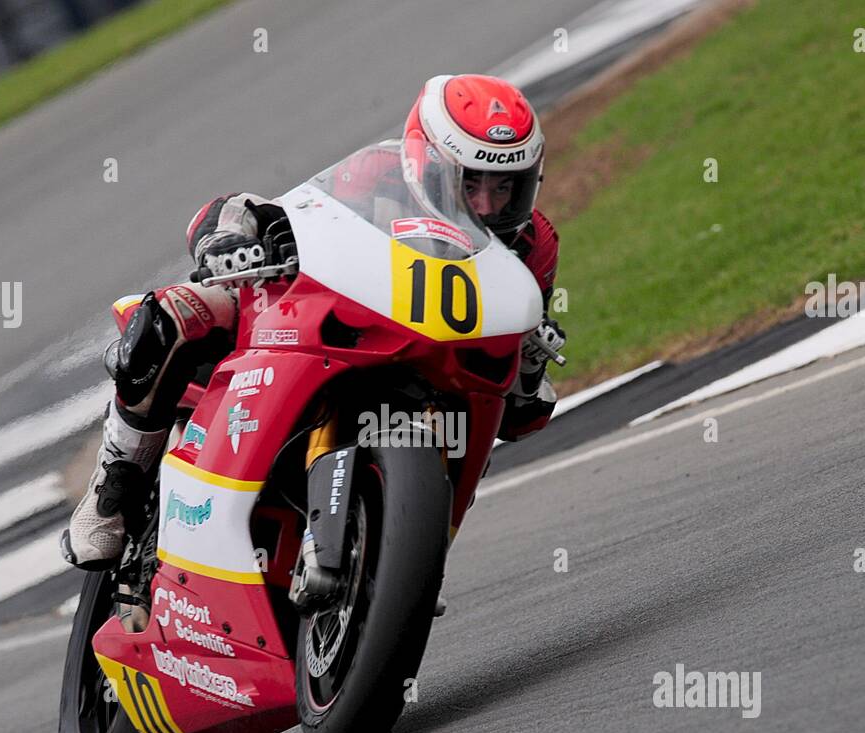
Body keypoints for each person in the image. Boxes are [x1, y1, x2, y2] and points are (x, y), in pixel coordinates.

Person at [62, 73, 567, 569]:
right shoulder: (379, 171)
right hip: (327, 320)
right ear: (425, 159)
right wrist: (232, 240)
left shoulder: (534, 245)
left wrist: (526, 364)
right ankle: (115, 483)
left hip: (431, 383)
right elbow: (259, 210)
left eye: (506, 188)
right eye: (470, 183)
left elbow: (521, 413)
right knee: (169, 316)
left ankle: (404, 554)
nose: (486, 204)